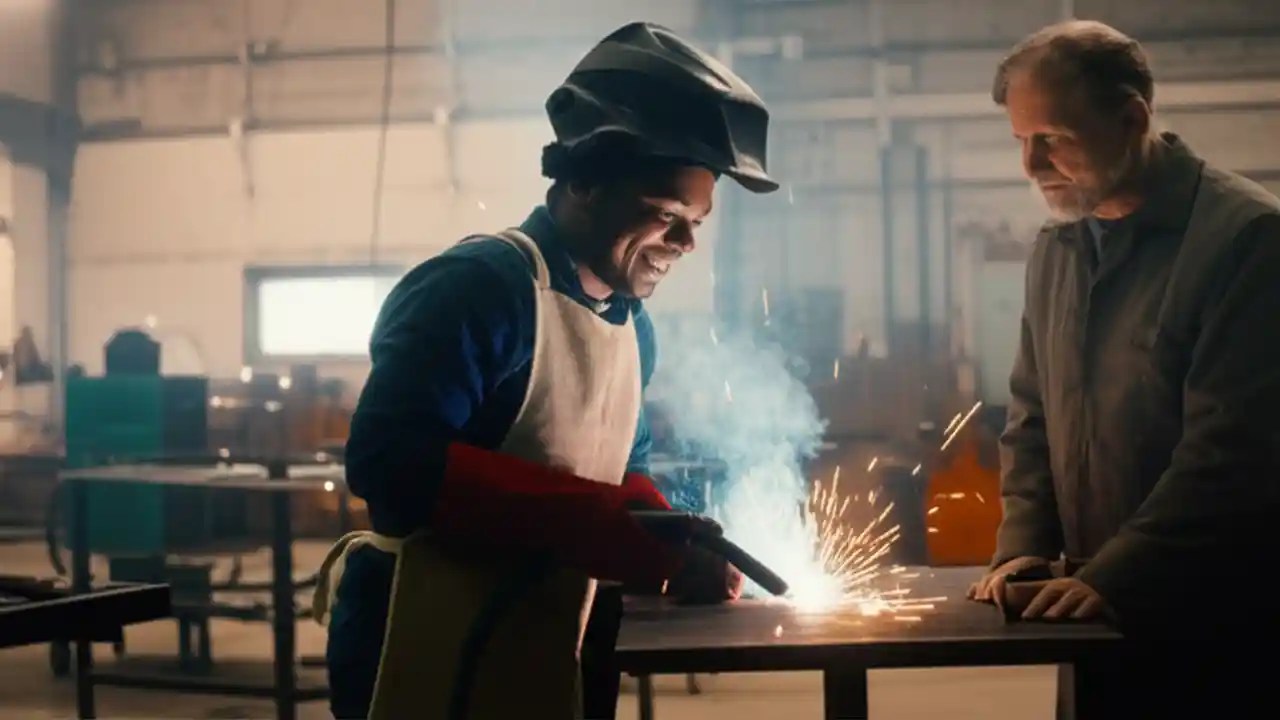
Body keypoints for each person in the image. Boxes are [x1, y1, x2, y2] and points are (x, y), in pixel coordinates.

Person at [315, 22, 776, 720]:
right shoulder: (478, 289)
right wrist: (609, 526)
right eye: (664, 214)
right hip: (427, 637)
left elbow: (622, 473)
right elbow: (392, 466)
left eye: (697, 222)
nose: (684, 243)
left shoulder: (630, 323)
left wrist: (675, 542)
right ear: (586, 180)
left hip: (555, 632)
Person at [966, 19, 1280, 717]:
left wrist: (1121, 573)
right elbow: (1031, 418)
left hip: (1221, 623)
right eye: (1021, 141)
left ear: (1132, 118)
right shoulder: (1058, 247)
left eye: (1052, 139)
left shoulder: (1248, 242)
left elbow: (1232, 452)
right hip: (1095, 614)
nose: (1031, 165)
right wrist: (1024, 547)